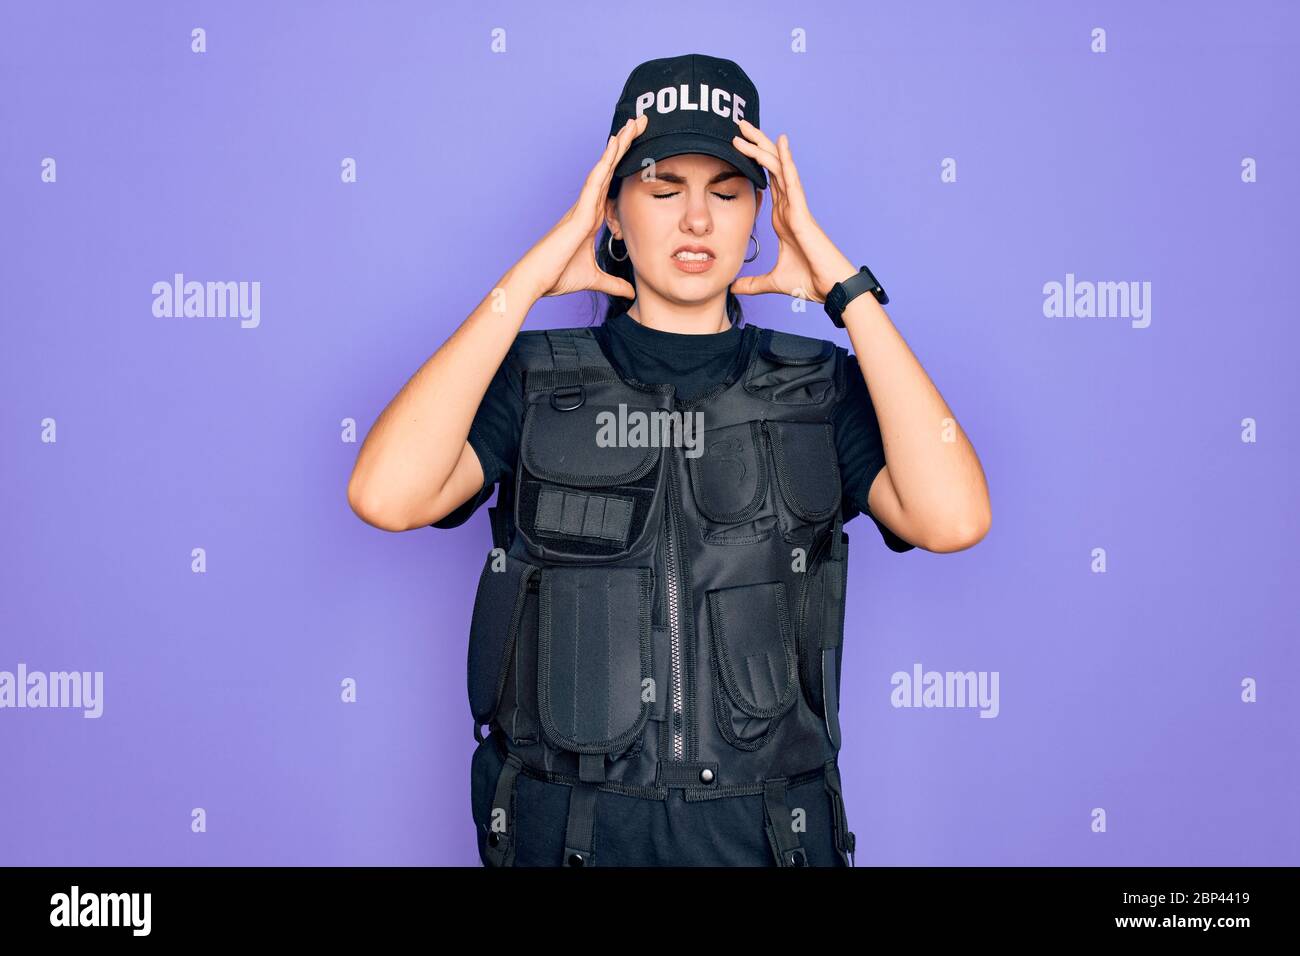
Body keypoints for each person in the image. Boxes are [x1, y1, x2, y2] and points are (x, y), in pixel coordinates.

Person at [348, 53, 991, 866]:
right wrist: (529, 278)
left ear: (761, 212)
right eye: (661, 190)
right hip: (568, 837)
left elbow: (955, 516)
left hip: (768, 838)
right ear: (612, 213)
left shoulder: (819, 387)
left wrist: (841, 286)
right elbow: (384, 494)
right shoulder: (534, 379)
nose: (697, 220)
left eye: (726, 193)